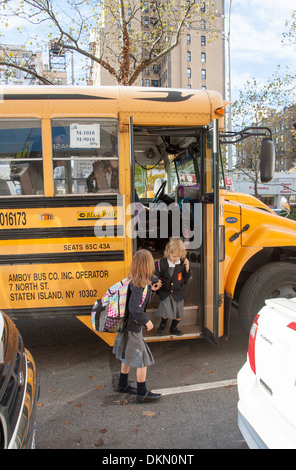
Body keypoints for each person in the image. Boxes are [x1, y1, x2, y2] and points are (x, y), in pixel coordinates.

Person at [113, 249, 162, 403]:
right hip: (133, 328)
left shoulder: (135, 280)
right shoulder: (138, 286)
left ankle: (122, 384)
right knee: (142, 360)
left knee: (127, 356)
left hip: (127, 326)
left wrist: (152, 289)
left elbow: (139, 301)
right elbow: (135, 309)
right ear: (147, 266)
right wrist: (147, 321)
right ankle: (142, 393)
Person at [155, 238, 191, 336]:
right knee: (165, 313)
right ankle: (162, 325)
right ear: (168, 252)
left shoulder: (182, 264)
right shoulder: (161, 263)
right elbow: (155, 274)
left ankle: (173, 327)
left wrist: (187, 268)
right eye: (173, 256)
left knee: (178, 315)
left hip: (178, 292)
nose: (176, 258)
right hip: (165, 292)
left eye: (178, 256)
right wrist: (156, 281)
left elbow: (186, 278)